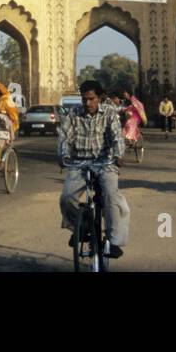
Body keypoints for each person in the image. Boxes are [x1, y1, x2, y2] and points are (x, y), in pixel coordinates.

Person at [58, 79, 130, 259]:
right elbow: (64, 137)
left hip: (105, 162)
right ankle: (80, 227)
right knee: (66, 197)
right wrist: (63, 154)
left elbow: (116, 137)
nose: (87, 103)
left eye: (91, 99)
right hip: (79, 163)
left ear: (100, 98)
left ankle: (113, 241)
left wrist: (119, 154)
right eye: (84, 99)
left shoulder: (110, 112)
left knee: (110, 196)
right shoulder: (74, 113)